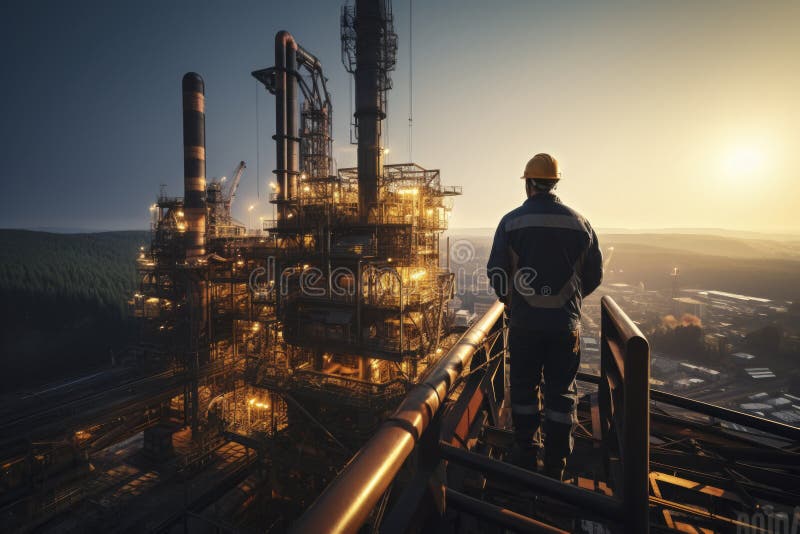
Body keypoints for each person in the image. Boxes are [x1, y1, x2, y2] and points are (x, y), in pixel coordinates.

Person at [487, 153, 602, 480]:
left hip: (524, 325)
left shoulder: (511, 223)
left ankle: (526, 453)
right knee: (561, 392)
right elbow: (593, 275)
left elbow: (497, 272)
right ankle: (557, 463)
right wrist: (567, 302)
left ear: (528, 183)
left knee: (523, 390)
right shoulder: (580, 223)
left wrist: (512, 302)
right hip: (565, 327)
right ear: (555, 183)